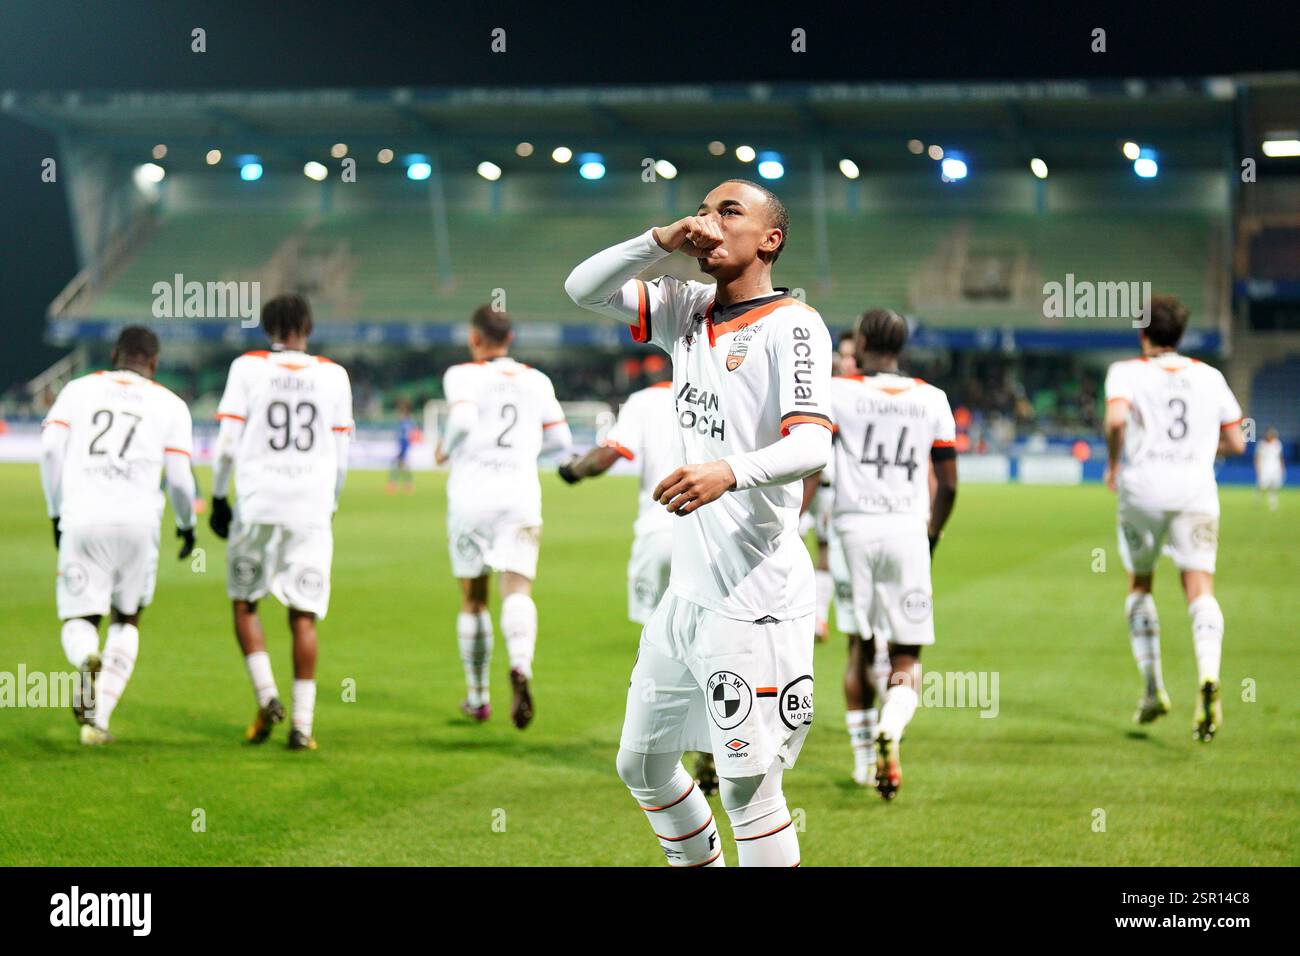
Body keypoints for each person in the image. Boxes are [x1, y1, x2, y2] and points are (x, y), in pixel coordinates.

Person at [566, 179, 832, 866]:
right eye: (704, 210)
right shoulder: (684, 306)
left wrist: (727, 471)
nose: (709, 222)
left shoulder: (794, 325)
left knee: (749, 791)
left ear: (770, 239)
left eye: (729, 212)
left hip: (755, 601)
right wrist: (659, 241)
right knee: (643, 766)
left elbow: (811, 445)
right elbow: (581, 287)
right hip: (685, 598)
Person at [209, 293, 354, 751]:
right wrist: (330, 500)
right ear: (308, 326)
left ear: (267, 328)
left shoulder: (247, 368)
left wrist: (216, 497)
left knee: (245, 603)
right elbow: (343, 455)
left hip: (257, 502)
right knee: (303, 615)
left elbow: (228, 445)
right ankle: (303, 727)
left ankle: (267, 694)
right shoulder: (334, 375)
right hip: (310, 506)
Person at [39, 326, 197, 745]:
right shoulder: (171, 404)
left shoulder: (77, 390)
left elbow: (51, 450)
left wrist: (56, 513)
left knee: (80, 616)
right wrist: (187, 526)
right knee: (127, 618)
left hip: (84, 515)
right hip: (139, 523)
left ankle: (86, 657)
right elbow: (180, 481)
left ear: (114, 354)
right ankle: (99, 720)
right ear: (155, 362)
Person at [1103, 293, 1245, 741]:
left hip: (1143, 488)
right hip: (1195, 490)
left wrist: (1111, 465)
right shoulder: (1209, 376)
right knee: (1199, 587)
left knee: (1140, 583)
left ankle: (1152, 688)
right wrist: (1203, 447)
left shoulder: (1126, 371)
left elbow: (1114, 421)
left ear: (1143, 334)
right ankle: (1208, 675)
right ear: (1181, 334)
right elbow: (1238, 442)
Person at [829, 309, 958, 799]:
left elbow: (811, 458)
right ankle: (892, 726)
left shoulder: (837, 391)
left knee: (860, 646)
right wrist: (933, 533)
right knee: (907, 652)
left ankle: (864, 761)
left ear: (861, 342)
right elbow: (947, 483)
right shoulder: (932, 399)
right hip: (907, 530)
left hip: (853, 530)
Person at [437, 305, 572, 729]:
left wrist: (445, 448)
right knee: (517, 590)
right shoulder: (537, 380)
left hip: (472, 498)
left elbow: (460, 418)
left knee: (474, 599)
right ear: (510, 338)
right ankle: (521, 665)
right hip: (520, 498)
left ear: (475, 338)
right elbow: (562, 441)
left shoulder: (463, 374)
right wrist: (524, 454)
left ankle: (478, 697)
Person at [388, 397, 416, 495]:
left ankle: (395, 484)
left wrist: (403, 449)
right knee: (402, 466)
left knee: (397, 466)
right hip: (403, 446)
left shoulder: (405, 422)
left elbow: (406, 437)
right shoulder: (407, 421)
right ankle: (407, 484)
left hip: (404, 446)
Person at [1255, 426, 1284, 511]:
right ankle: (1257, 501)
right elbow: (1257, 458)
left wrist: (1282, 468)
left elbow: (1280, 457)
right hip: (1265, 469)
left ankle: (1273, 504)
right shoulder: (1261, 444)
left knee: (1273, 488)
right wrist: (1258, 468)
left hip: (1275, 469)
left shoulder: (1277, 444)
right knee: (1261, 486)